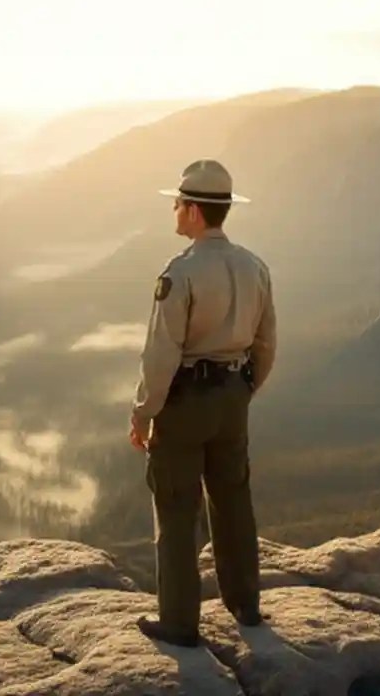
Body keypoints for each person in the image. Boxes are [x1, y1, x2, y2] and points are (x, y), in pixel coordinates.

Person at [130, 158, 277, 647]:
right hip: (234, 395)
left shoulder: (180, 273)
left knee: (176, 507)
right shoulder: (255, 266)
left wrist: (143, 412)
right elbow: (266, 342)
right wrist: (243, 390)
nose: (173, 209)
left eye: (177, 203)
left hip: (185, 400)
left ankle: (178, 622)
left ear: (193, 212)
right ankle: (246, 604)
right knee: (233, 498)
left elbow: (161, 353)